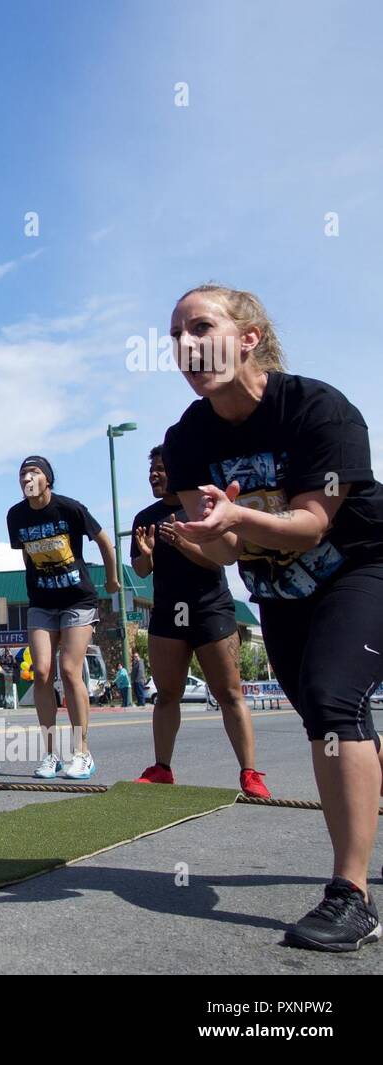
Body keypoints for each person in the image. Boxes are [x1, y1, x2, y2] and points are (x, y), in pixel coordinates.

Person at [165, 283, 383, 951]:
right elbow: (232, 547)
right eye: (175, 335)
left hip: (360, 567)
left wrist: (236, 517)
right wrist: (201, 538)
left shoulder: (318, 409)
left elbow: (312, 526)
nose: (184, 345)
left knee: (332, 699)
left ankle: (352, 895)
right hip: (279, 590)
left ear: (249, 336)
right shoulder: (187, 437)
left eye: (200, 326)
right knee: (327, 719)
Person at [131, 445, 269, 798]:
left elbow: (218, 561)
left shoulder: (203, 509)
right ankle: (162, 768)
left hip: (211, 609)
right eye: (152, 470)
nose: (154, 475)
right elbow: (142, 569)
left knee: (228, 693)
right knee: (167, 695)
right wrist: (146, 555)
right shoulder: (145, 517)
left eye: (161, 468)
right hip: (167, 612)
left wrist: (182, 542)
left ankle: (250, 773)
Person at [7, 457, 119, 780]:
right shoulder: (16, 516)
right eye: (23, 474)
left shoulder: (70, 509)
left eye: (34, 472)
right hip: (41, 602)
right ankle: (50, 754)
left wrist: (111, 580)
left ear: (48, 479)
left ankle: (82, 752)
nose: (27, 478)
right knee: (41, 671)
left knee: (69, 670)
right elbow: (28, 553)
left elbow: (104, 542)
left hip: (77, 601)